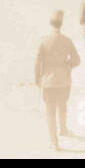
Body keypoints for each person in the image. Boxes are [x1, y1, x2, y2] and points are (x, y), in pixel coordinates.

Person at [34, 10, 81, 150]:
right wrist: (67, 65)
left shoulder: (43, 40)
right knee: (63, 104)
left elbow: (37, 63)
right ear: (61, 24)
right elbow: (77, 60)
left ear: (50, 24)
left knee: (50, 112)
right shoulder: (67, 40)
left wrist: (37, 79)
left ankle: (54, 142)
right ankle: (64, 129)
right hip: (64, 79)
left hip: (48, 81)